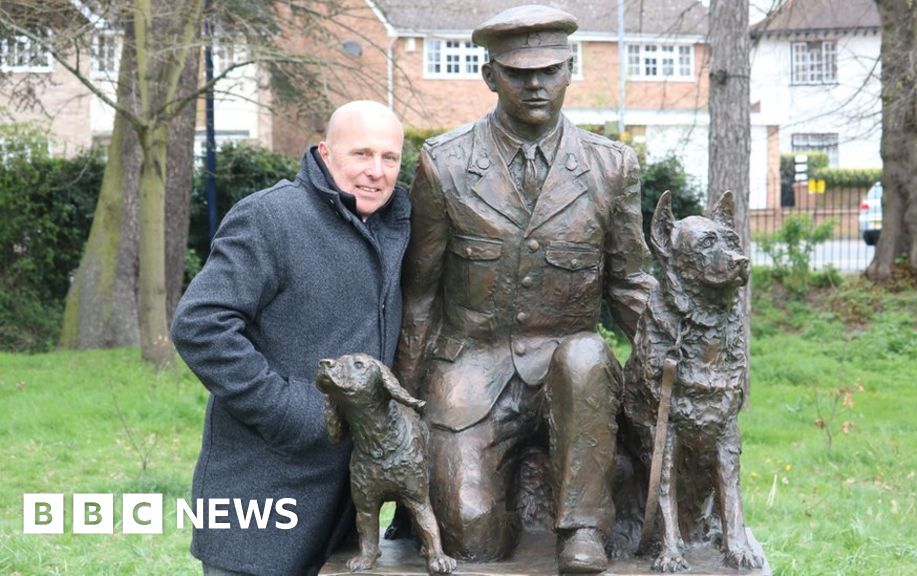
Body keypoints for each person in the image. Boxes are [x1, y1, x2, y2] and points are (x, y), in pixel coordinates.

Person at [393, 5, 654, 574]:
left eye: (550, 71)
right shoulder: (445, 164)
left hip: (572, 375)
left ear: (570, 70)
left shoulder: (611, 166)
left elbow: (631, 284)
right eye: (518, 73)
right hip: (472, 373)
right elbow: (421, 296)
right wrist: (406, 407)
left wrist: (674, 360)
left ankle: (583, 529)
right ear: (490, 76)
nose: (536, 85)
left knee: (585, 353)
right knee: (471, 543)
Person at [171, 100, 408, 576]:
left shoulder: (398, 225)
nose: (376, 171)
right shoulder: (270, 217)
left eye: (390, 157)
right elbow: (200, 325)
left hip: (340, 517)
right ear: (325, 152)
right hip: (260, 501)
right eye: (361, 154)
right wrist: (293, 412)